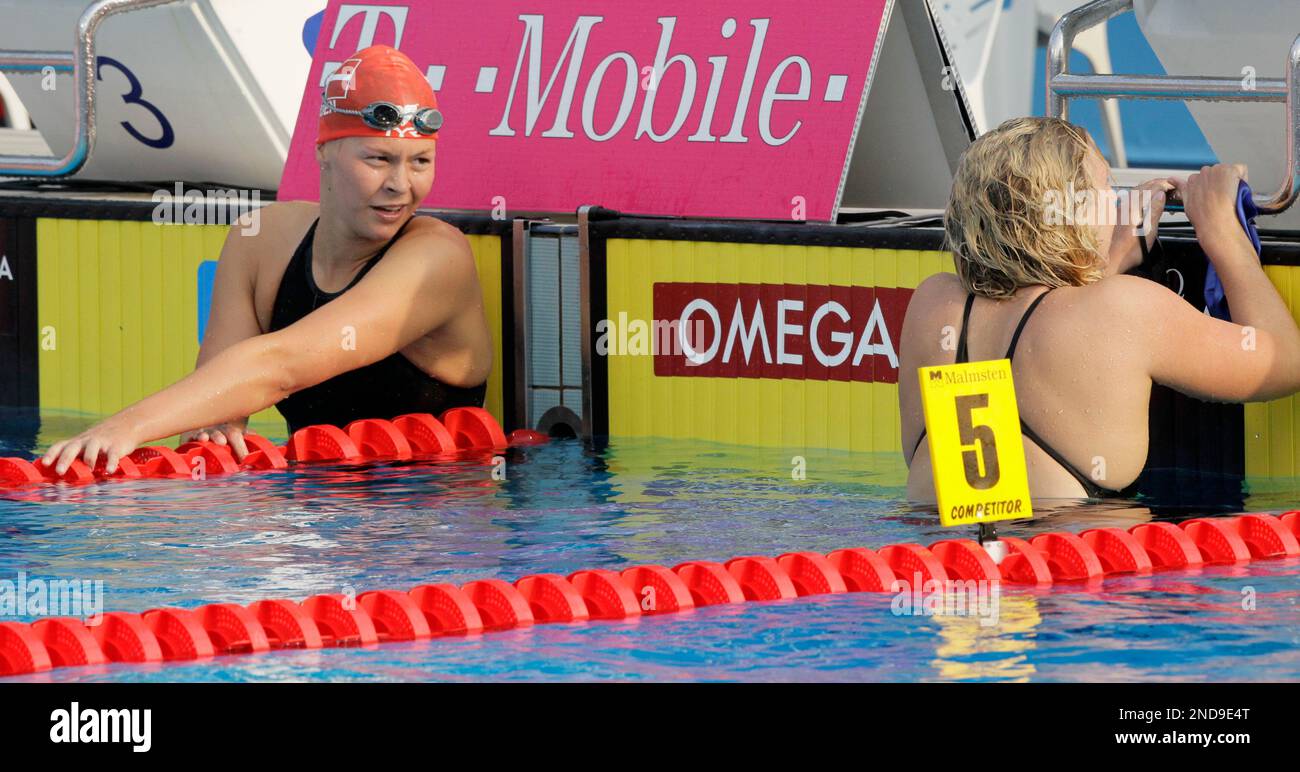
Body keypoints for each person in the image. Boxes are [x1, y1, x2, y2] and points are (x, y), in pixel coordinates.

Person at [42, 45, 492, 475]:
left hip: (426, 525)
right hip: (308, 510)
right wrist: (215, 428)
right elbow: (221, 402)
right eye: (378, 159)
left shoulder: (437, 257)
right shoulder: (259, 241)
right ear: (323, 153)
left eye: (420, 162)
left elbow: (280, 367)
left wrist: (127, 426)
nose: (401, 184)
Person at [899, 116, 1300, 501]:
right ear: (1068, 212)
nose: (1118, 201)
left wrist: (1105, 259)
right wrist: (1221, 230)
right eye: (1107, 186)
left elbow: (995, 489)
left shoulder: (933, 305)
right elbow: (1285, 364)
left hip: (946, 561)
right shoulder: (1121, 307)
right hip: (1076, 562)